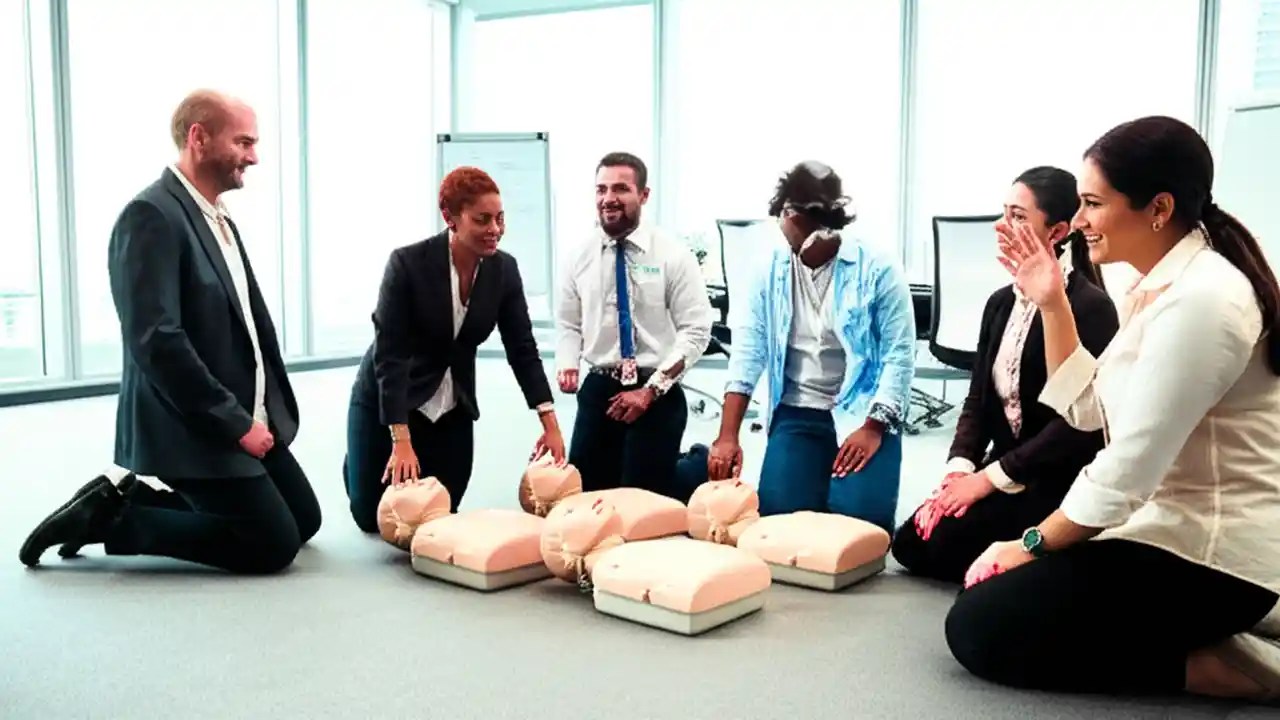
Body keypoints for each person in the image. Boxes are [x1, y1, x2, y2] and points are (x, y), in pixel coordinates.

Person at [945, 115, 1280, 704]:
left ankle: (1243, 666)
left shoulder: (1204, 300)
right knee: (981, 601)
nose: (1079, 222)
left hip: (1215, 554)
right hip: (1166, 529)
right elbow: (1089, 407)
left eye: (1092, 204)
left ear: (1158, 208)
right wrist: (1052, 301)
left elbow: (1127, 467)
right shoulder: (1157, 287)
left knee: (978, 630)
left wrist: (1028, 544)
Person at [19, 90, 321, 574]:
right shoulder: (152, 215)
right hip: (189, 423)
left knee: (304, 519)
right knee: (272, 543)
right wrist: (236, 424)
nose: (254, 156)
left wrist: (260, 413)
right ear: (199, 138)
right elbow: (156, 342)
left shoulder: (216, 216)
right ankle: (111, 520)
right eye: (243, 142)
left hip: (241, 412)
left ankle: (131, 498)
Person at [890, 167, 1119, 583]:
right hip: (1004, 471)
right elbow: (977, 400)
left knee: (957, 552)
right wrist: (957, 474)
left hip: (1055, 478)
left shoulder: (1091, 308)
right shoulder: (999, 304)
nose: (1000, 225)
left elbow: (1076, 430)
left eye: (1017, 216)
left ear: (1058, 232)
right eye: (1003, 212)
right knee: (911, 543)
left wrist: (988, 480)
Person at [343, 166, 564, 532]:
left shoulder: (504, 270)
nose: (495, 229)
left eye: (500, 218)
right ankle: (360, 457)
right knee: (372, 517)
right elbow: (391, 356)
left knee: (441, 510)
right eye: (482, 219)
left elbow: (522, 348)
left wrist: (550, 423)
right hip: (393, 394)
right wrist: (400, 440)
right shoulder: (407, 264)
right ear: (450, 218)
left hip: (452, 399)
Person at [706, 161, 915, 533]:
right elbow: (747, 353)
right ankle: (812, 477)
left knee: (861, 528)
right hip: (799, 410)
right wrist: (727, 435)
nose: (796, 225)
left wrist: (873, 428)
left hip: (865, 414)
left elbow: (899, 354)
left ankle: (844, 488)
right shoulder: (765, 270)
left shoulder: (878, 267)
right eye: (792, 215)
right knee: (781, 523)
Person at [555, 152, 713, 499]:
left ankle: (697, 466)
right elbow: (568, 323)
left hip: (657, 390)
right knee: (588, 497)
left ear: (643, 195)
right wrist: (567, 364)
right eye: (601, 189)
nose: (608, 198)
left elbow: (697, 331)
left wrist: (651, 390)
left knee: (640, 502)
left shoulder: (673, 255)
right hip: (600, 388)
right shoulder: (578, 257)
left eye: (621, 188)